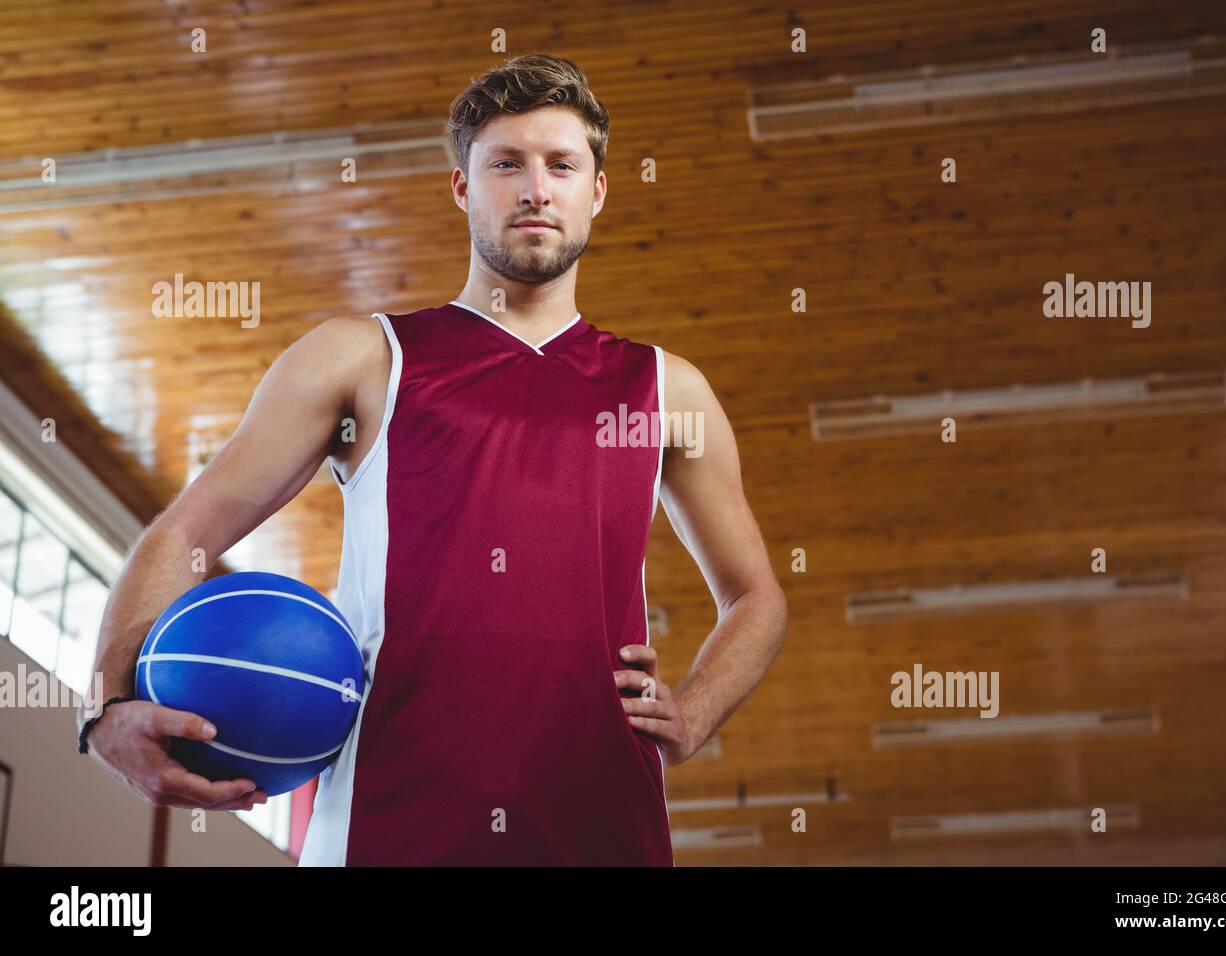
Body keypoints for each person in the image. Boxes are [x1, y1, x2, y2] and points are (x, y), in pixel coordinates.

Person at [80, 53, 787, 865]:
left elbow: (756, 594)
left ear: (596, 191)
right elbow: (183, 537)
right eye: (505, 164)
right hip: (386, 820)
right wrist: (103, 709)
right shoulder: (362, 359)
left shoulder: (667, 389)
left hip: (602, 820)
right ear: (463, 187)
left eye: (561, 165)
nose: (535, 189)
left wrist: (695, 712)